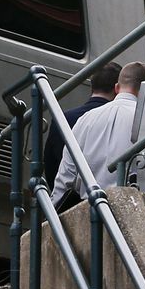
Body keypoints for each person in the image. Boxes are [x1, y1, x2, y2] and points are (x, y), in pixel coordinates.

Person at [50, 61, 145, 207]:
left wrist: (53, 209)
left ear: (117, 88)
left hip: (91, 207)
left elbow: (67, 173)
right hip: (132, 207)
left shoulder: (86, 119)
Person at [42, 60, 120, 191]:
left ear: (92, 85)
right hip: (106, 194)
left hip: (70, 195)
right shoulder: (118, 119)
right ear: (117, 89)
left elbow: (51, 163)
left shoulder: (63, 118)